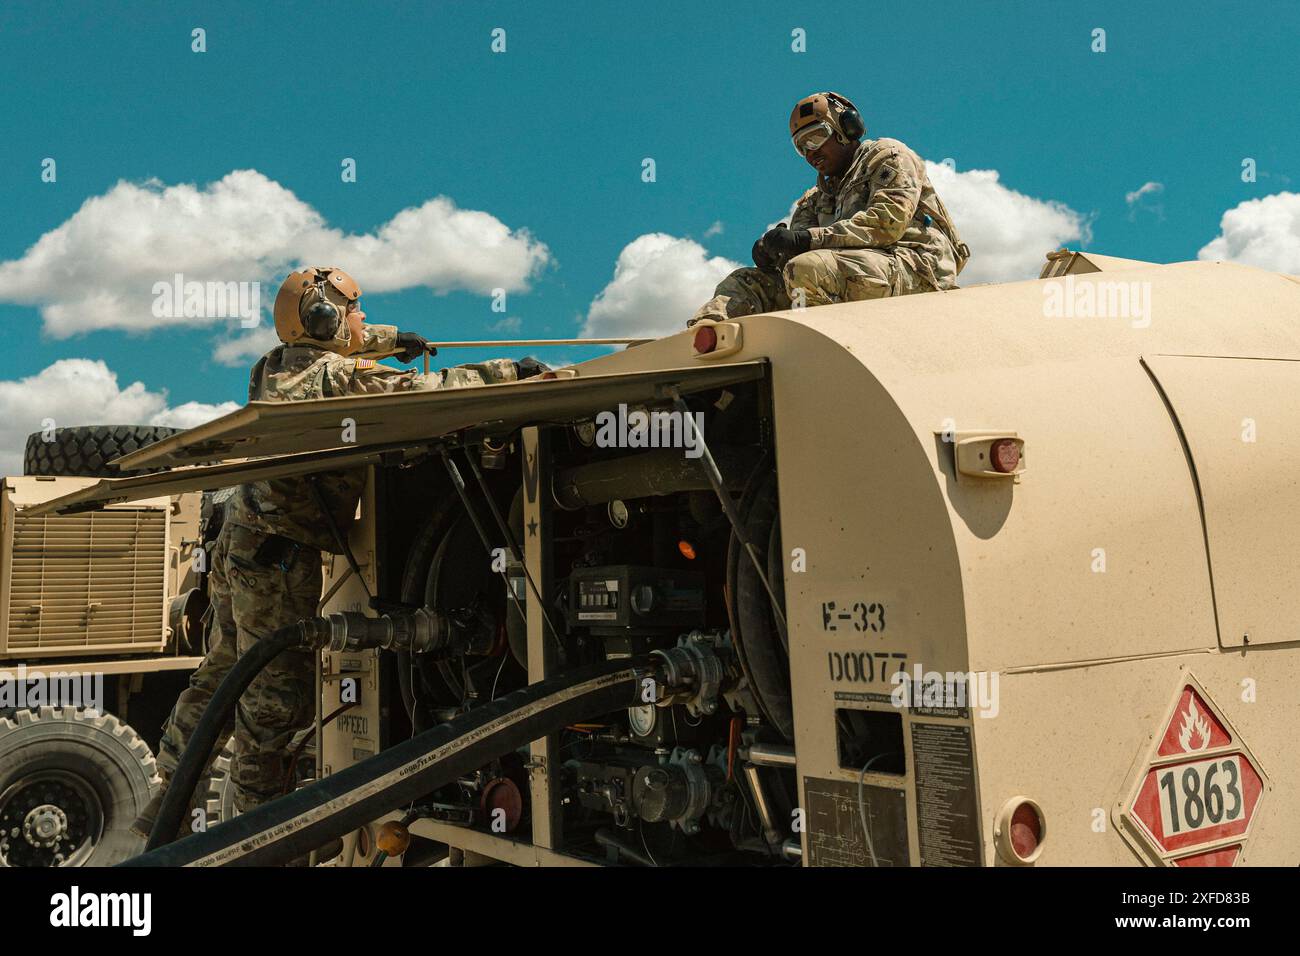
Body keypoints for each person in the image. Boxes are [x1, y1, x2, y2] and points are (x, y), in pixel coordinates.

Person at [133, 266, 545, 843]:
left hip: (241, 546)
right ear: (326, 318)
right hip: (278, 561)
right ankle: (257, 845)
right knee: (274, 709)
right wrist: (509, 372)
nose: (363, 320)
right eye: (356, 310)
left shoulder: (276, 364)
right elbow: (423, 392)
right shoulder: (335, 379)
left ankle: (166, 806)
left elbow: (348, 341)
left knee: (222, 676)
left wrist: (396, 340)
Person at [690, 91, 970, 326]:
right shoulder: (816, 198)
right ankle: (705, 348)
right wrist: (772, 253)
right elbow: (798, 250)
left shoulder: (888, 156)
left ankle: (819, 358)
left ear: (845, 130)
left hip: (916, 268)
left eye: (814, 138)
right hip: (854, 273)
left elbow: (886, 224)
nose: (810, 153)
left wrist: (805, 240)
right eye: (801, 148)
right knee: (744, 281)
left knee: (807, 268)